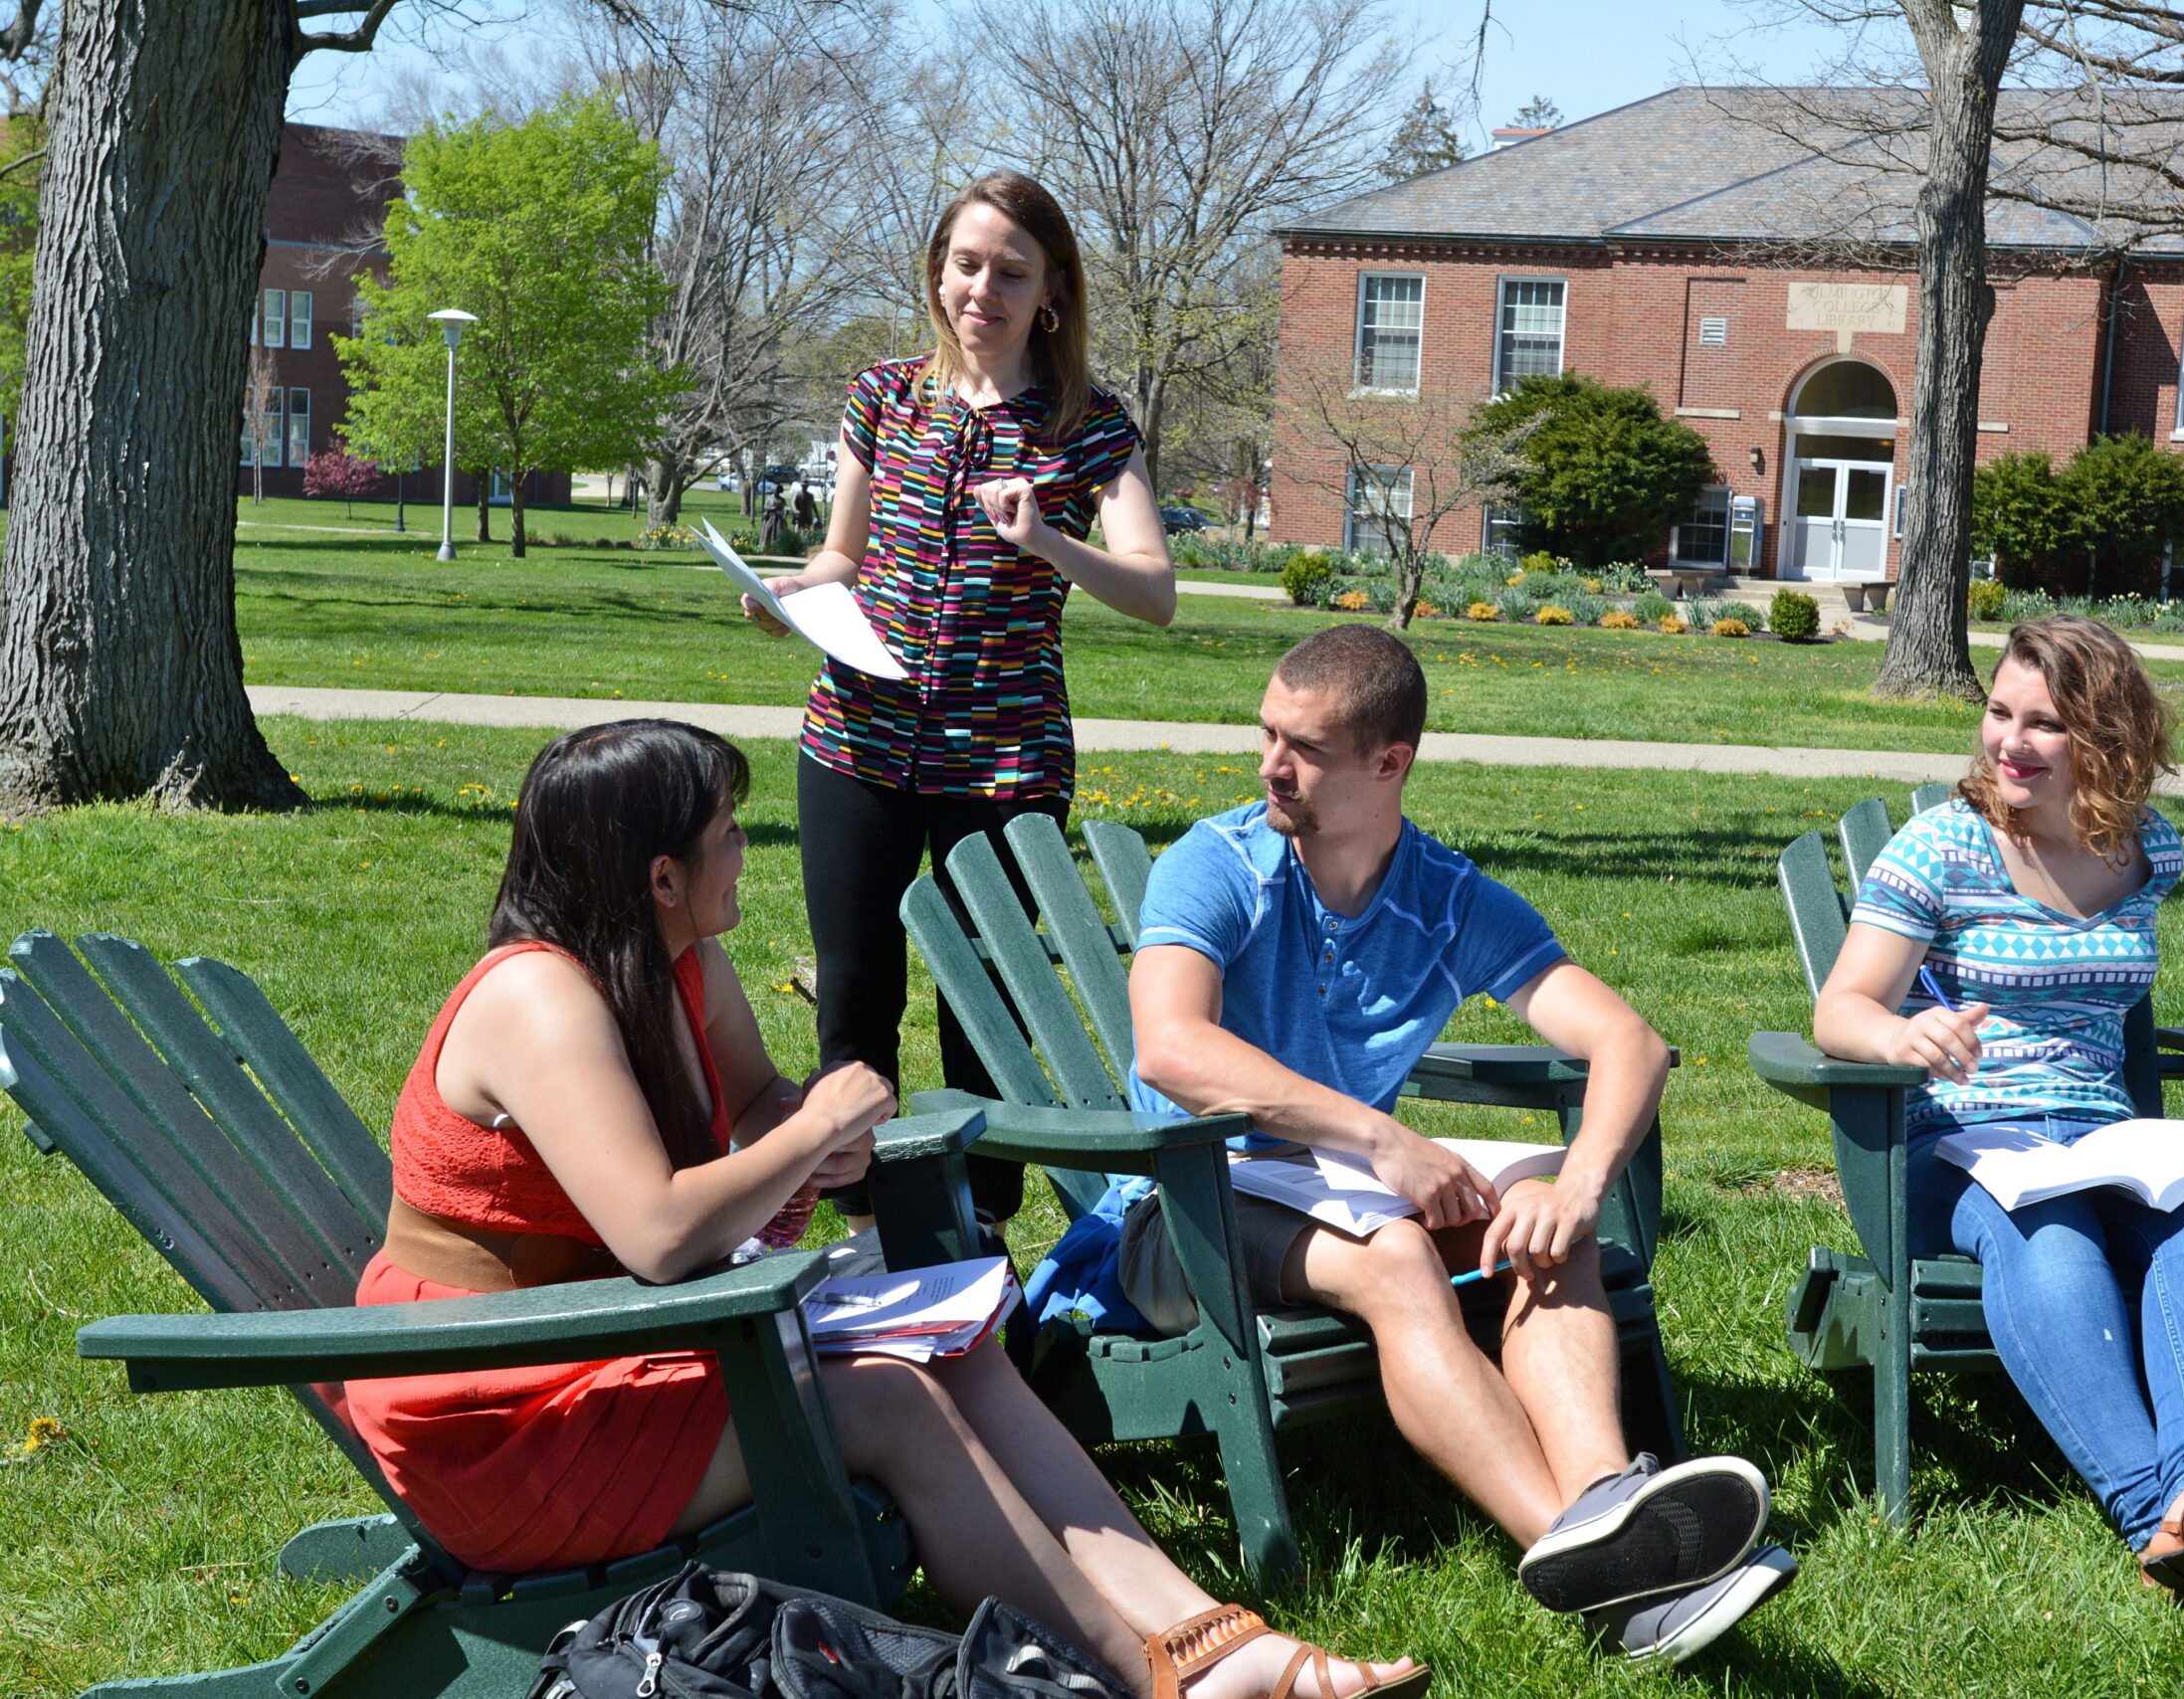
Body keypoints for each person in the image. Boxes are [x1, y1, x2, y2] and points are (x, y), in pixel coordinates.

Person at [342, 720, 1423, 1699]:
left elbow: (763, 1102)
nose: (747, 850)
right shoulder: (539, 999)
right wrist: (815, 1134)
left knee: (962, 1343)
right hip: (499, 1416)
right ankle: (1146, 1679)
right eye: (727, 832)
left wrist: (806, 1116)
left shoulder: (678, 961)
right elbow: (661, 1235)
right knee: (893, 1399)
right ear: (660, 874)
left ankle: (1215, 1640)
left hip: (596, 1350)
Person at [1124, 626, 1794, 1668]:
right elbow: (1171, 1048)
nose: (1269, 764)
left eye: (1302, 747)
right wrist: (1382, 1137)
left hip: (1342, 1194)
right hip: (1185, 1211)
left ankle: (1602, 1500)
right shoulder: (1214, 866)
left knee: (1543, 1227)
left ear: (1389, 763)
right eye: (1266, 733)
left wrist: (1575, 1186)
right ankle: (1606, 1571)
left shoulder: (1443, 895)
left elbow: (1628, 1042)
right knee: (1395, 1255)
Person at [1810, 615, 2184, 1617]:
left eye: (2043, 724)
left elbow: (2119, 1001)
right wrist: (1900, 1040)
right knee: (2046, 1236)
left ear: (2105, 741)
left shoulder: (2148, 853)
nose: (2007, 741)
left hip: (2105, 1131)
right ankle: (2159, 1525)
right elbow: (1841, 1008)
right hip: (1964, 1142)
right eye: (1999, 713)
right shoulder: (1945, 845)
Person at [744, 168, 1174, 1249]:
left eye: (1010, 271)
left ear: (1052, 292)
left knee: (987, 990)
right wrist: (789, 596)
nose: (981, 287)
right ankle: (863, 1219)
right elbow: (843, 553)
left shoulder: (1089, 425)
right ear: (938, 271)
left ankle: (976, 1223)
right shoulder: (884, 396)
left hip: (1005, 757)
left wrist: (1046, 540)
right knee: (854, 989)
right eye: (966, 263)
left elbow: (1156, 591)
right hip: (857, 738)